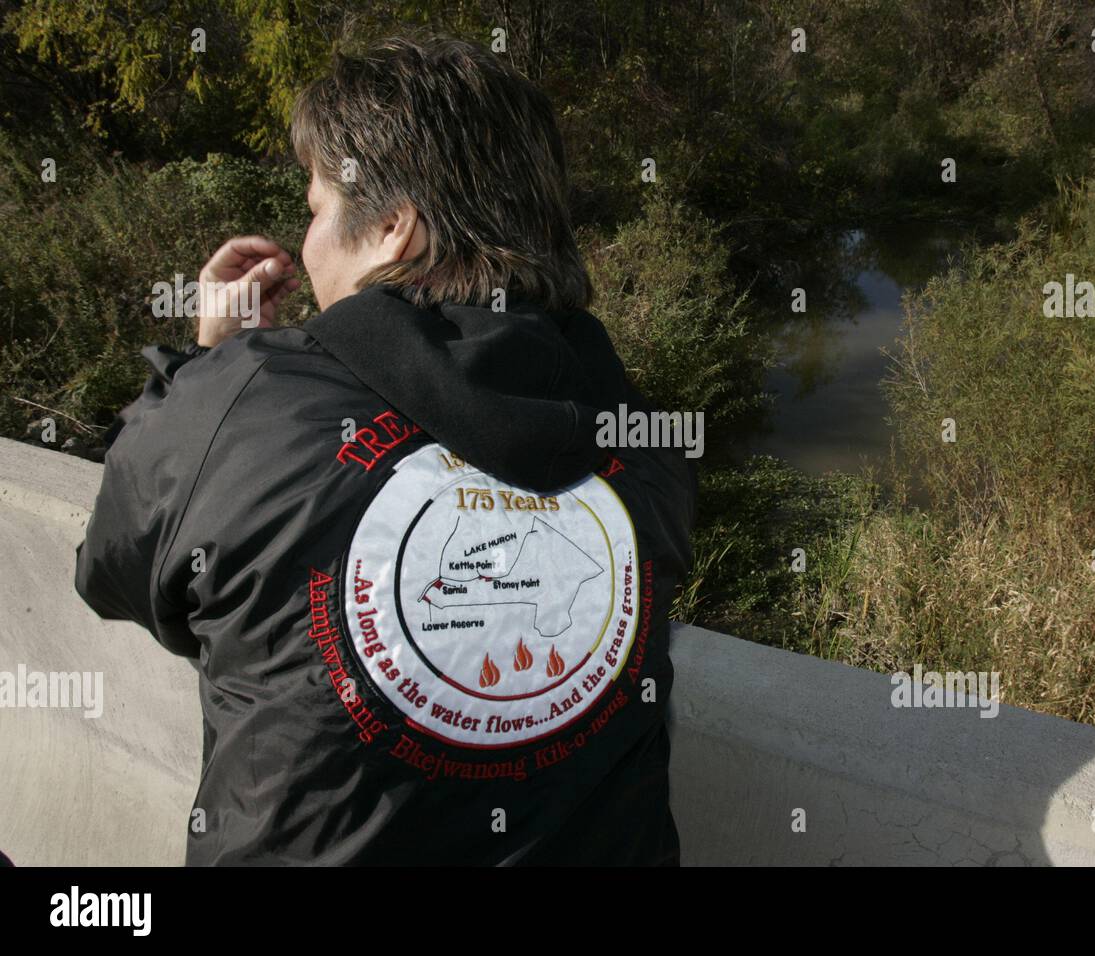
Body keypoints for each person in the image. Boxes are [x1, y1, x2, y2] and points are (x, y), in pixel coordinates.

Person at [73, 34, 697, 866]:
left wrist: (207, 366)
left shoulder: (241, 403)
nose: (307, 240)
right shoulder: (644, 439)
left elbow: (113, 571)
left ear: (393, 227)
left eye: (316, 206)